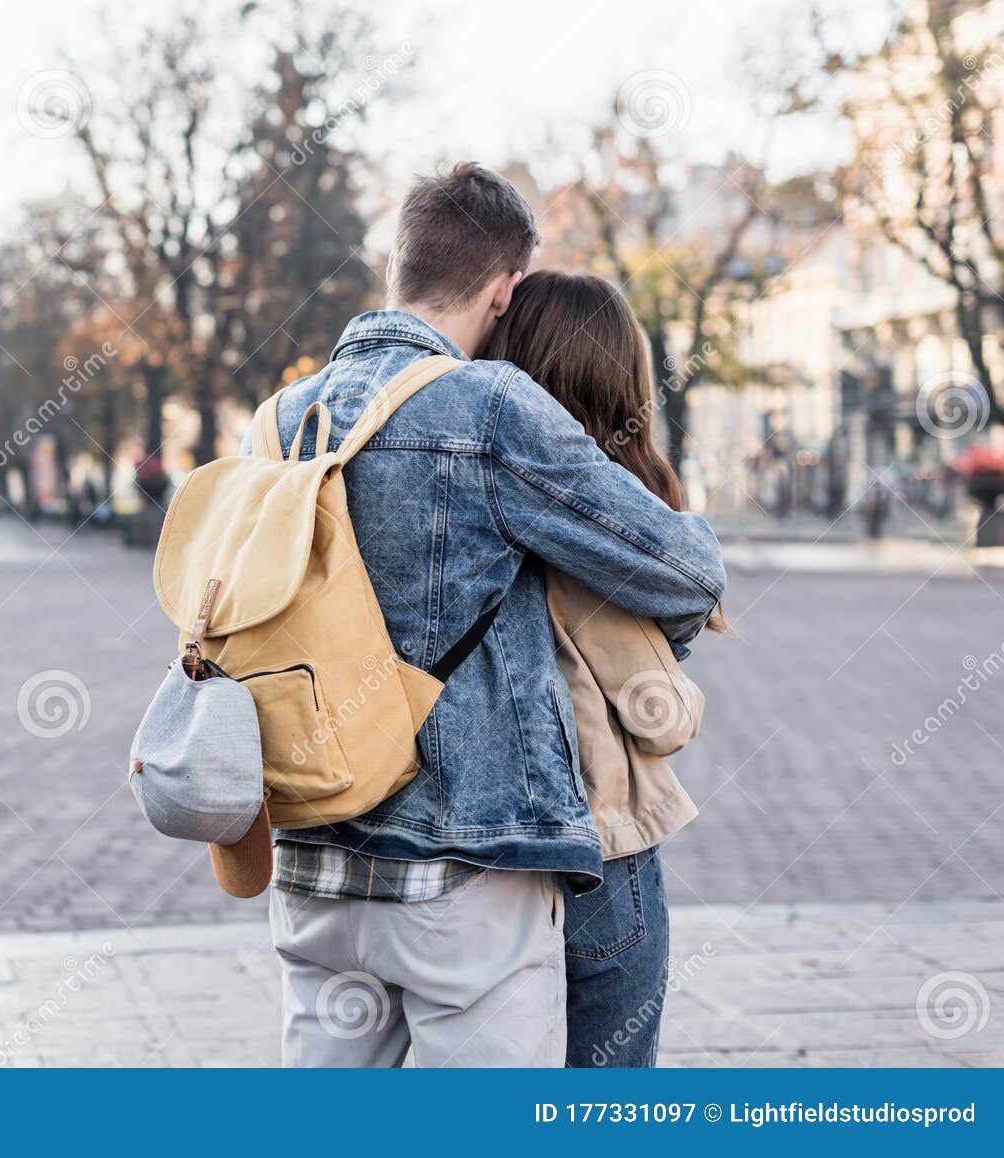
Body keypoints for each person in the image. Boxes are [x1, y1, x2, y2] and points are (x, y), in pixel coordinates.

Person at [254, 164, 725, 1067]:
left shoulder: (279, 419)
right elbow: (686, 573)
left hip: (314, 859)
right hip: (461, 866)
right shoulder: (490, 407)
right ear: (505, 288)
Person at [483, 269, 727, 1066]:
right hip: (599, 851)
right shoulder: (605, 520)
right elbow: (663, 715)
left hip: (473, 851)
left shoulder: (471, 494)